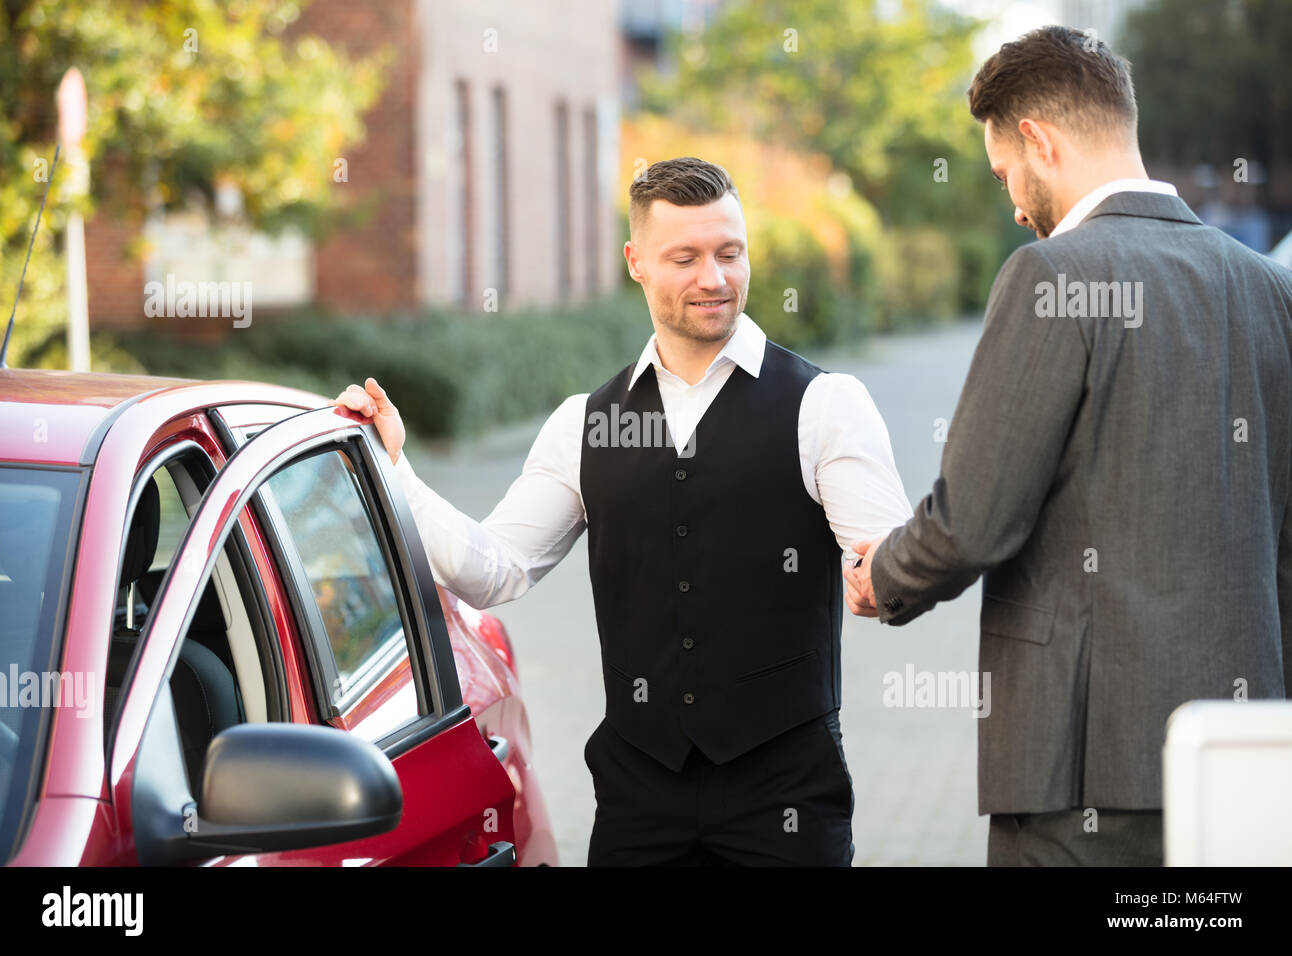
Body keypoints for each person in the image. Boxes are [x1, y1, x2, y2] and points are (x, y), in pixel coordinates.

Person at [335, 156, 912, 865]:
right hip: (641, 800)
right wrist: (398, 470)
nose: (715, 277)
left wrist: (885, 579)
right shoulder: (584, 423)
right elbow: (492, 572)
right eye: (686, 257)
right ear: (636, 262)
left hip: (786, 797)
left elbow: (887, 557)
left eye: (730, 253)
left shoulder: (826, 406)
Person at [844, 25, 1292, 866]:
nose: (1013, 204)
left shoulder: (1050, 277)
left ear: (1037, 140)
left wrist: (884, 577)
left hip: (1079, 764)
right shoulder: (1270, 288)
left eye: (1005, 172)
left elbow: (974, 518)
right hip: (1237, 762)